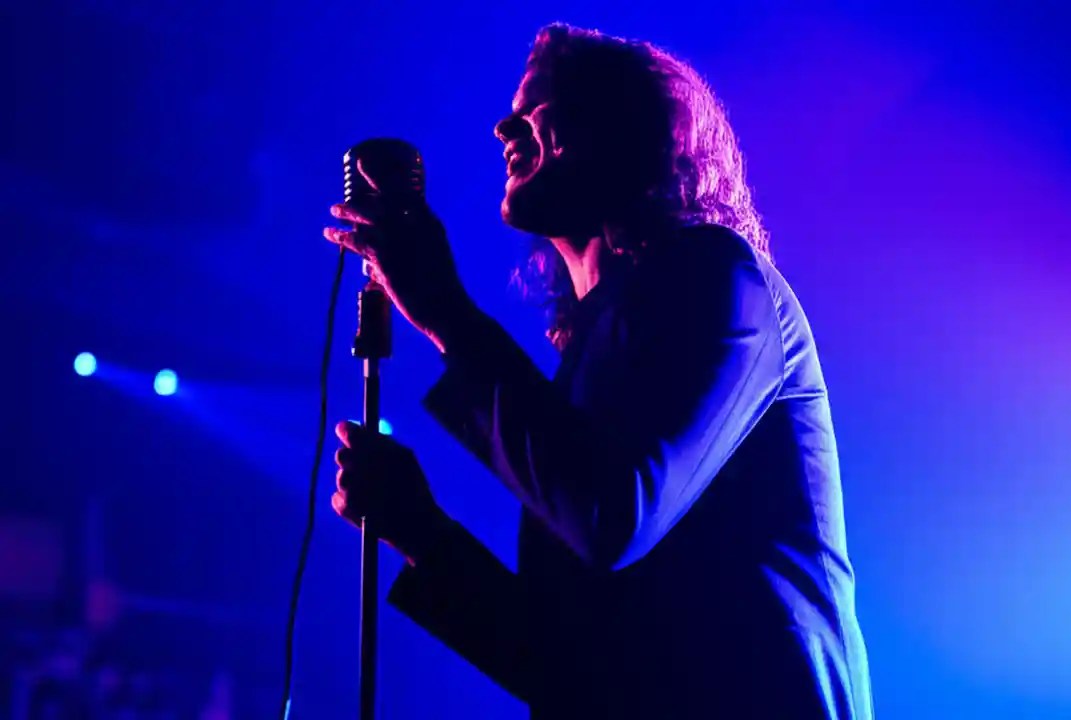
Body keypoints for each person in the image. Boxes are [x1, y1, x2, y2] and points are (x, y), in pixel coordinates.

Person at [323, 23, 874, 720]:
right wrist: (419, 529)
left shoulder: (720, 278)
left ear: (618, 129)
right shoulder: (584, 366)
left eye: (537, 107)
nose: (502, 128)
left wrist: (444, 310)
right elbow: (566, 663)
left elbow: (614, 513)